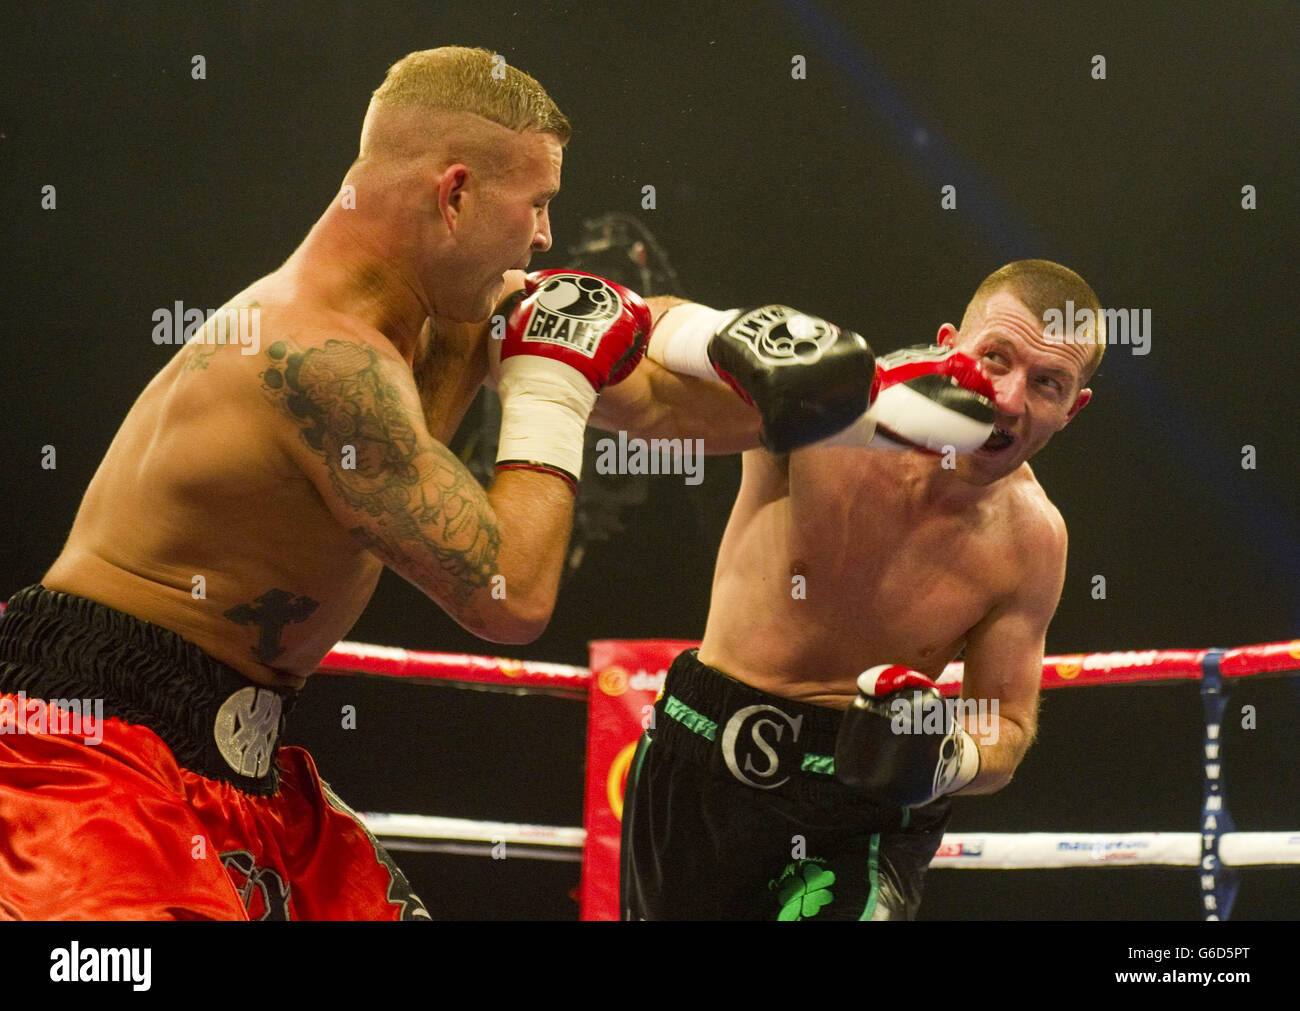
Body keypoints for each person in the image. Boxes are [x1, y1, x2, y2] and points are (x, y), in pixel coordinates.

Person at [0, 47, 651, 921]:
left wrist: (768, 360)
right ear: (454, 195)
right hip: (89, 752)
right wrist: (553, 386)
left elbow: (635, 357)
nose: (543, 235)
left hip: (245, 767)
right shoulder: (318, 357)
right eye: (537, 204)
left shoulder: (421, 322)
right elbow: (511, 595)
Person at [602, 259, 1104, 919]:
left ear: (1073, 408)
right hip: (698, 757)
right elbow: (646, 382)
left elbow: (1004, 721)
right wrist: (716, 333)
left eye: (1048, 383)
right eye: (996, 358)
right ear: (950, 343)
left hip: (859, 815)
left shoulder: (1032, 539)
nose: (1010, 399)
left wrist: (950, 756)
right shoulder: (829, 402)